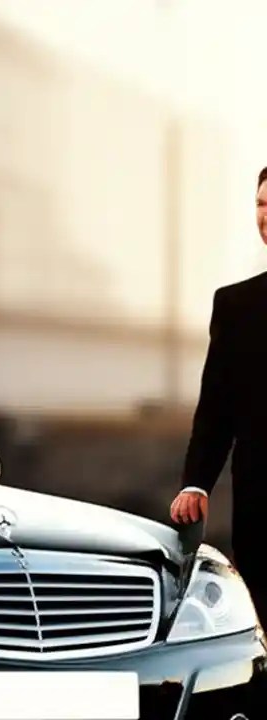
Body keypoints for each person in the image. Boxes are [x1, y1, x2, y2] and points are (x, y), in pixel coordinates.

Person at [171, 165, 267, 607]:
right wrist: (196, 483)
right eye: (261, 205)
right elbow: (217, 406)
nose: (265, 216)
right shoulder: (235, 306)